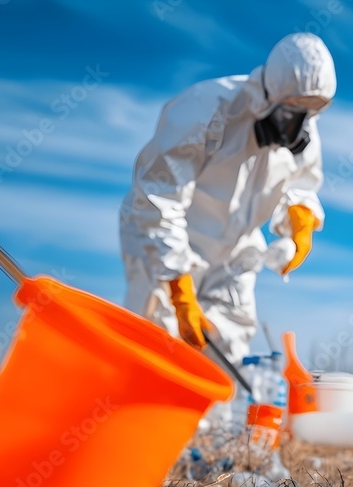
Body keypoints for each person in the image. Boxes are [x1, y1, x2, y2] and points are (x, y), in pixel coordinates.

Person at [119, 33, 335, 363]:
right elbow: (159, 195)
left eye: (310, 114)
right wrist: (178, 285)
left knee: (226, 345)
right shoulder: (206, 109)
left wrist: (300, 219)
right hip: (166, 242)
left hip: (235, 249)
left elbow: (301, 183)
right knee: (158, 343)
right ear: (268, 97)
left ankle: (213, 415)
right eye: (292, 113)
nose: (299, 130)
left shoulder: (305, 128)